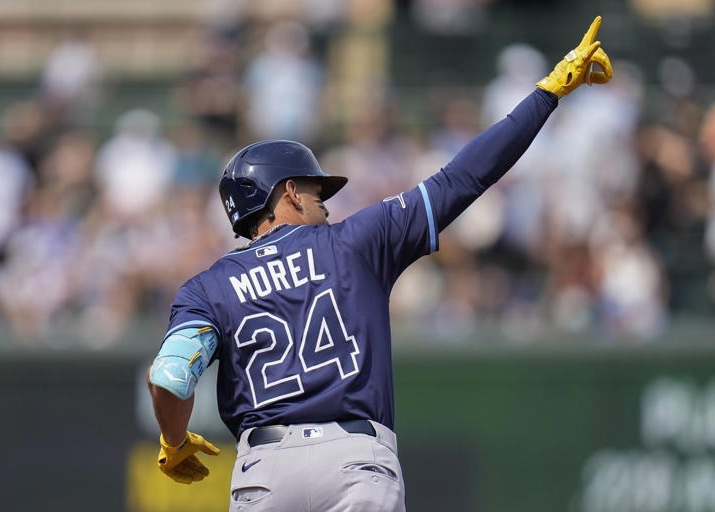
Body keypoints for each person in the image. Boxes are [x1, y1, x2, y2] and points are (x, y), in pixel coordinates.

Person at [146, 16, 613, 511]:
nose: (325, 203)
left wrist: (174, 442)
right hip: (355, 462)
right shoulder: (356, 241)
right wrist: (547, 94)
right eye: (317, 191)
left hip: (264, 473)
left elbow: (171, 375)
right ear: (290, 193)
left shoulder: (208, 288)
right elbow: (465, 177)